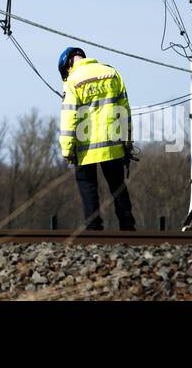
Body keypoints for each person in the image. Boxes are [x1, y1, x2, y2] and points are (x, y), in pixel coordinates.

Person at [58, 46, 136, 231]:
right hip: (113, 145)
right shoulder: (111, 73)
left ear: (69, 65)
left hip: (85, 150)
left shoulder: (73, 81)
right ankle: (128, 228)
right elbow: (124, 110)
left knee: (88, 186)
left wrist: (67, 150)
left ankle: (94, 229)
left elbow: (69, 118)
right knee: (118, 186)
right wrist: (127, 142)